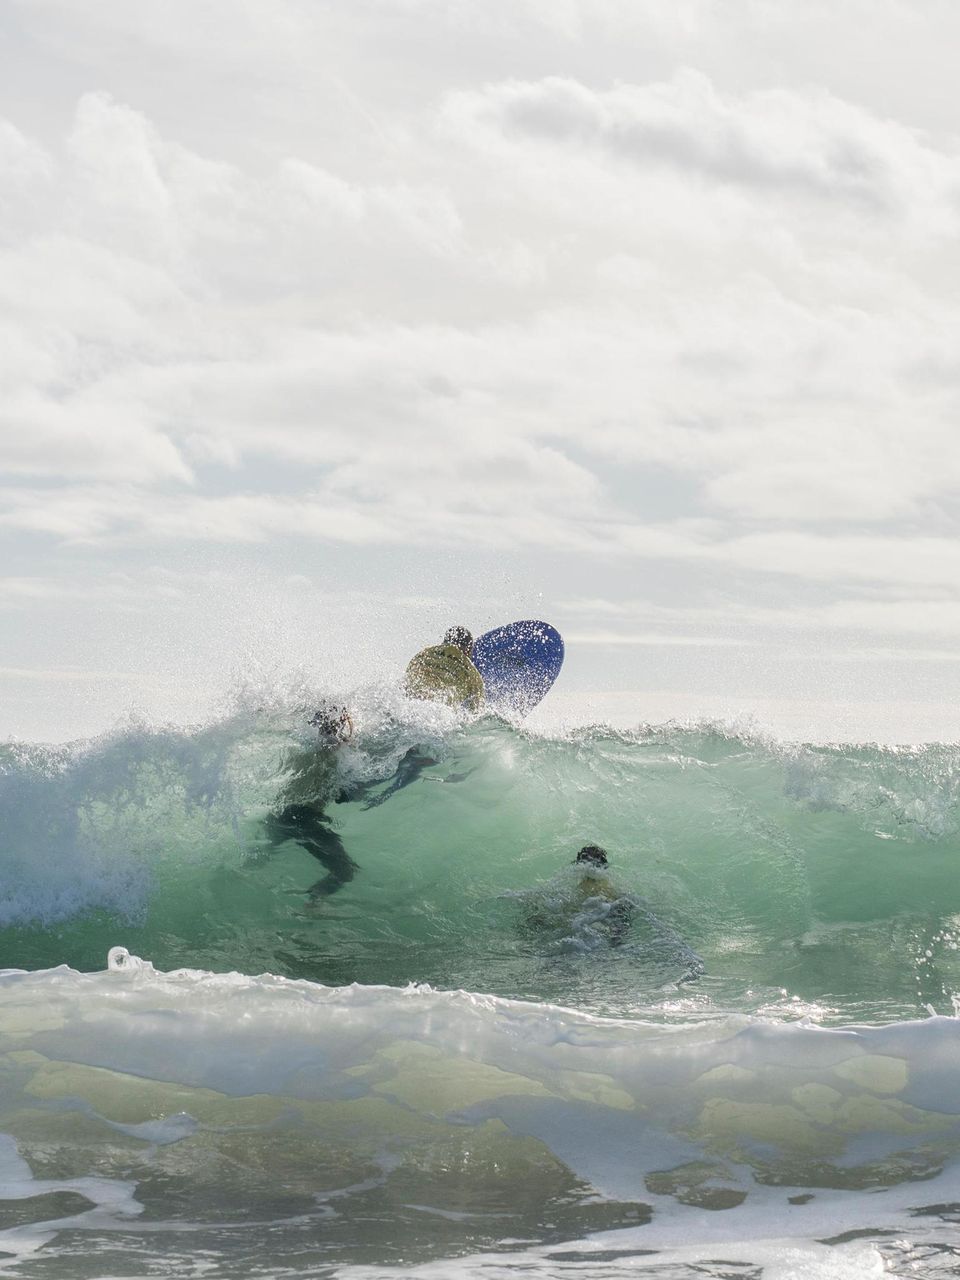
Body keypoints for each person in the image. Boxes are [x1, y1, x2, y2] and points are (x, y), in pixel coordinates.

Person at [263, 704, 358, 900]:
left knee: (261, 857)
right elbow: (342, 797)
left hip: (277, 815)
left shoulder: (304, 747)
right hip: (301, 819)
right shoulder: (333, 749)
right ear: (338, 724)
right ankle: (314, 903)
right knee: (345, 871)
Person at [404, 626, 484, 712]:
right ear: (468, 649)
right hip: (439, 709)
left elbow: (407, 679)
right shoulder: (471, 672)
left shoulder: (423, 654)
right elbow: (478, 711)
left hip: (412, 701)